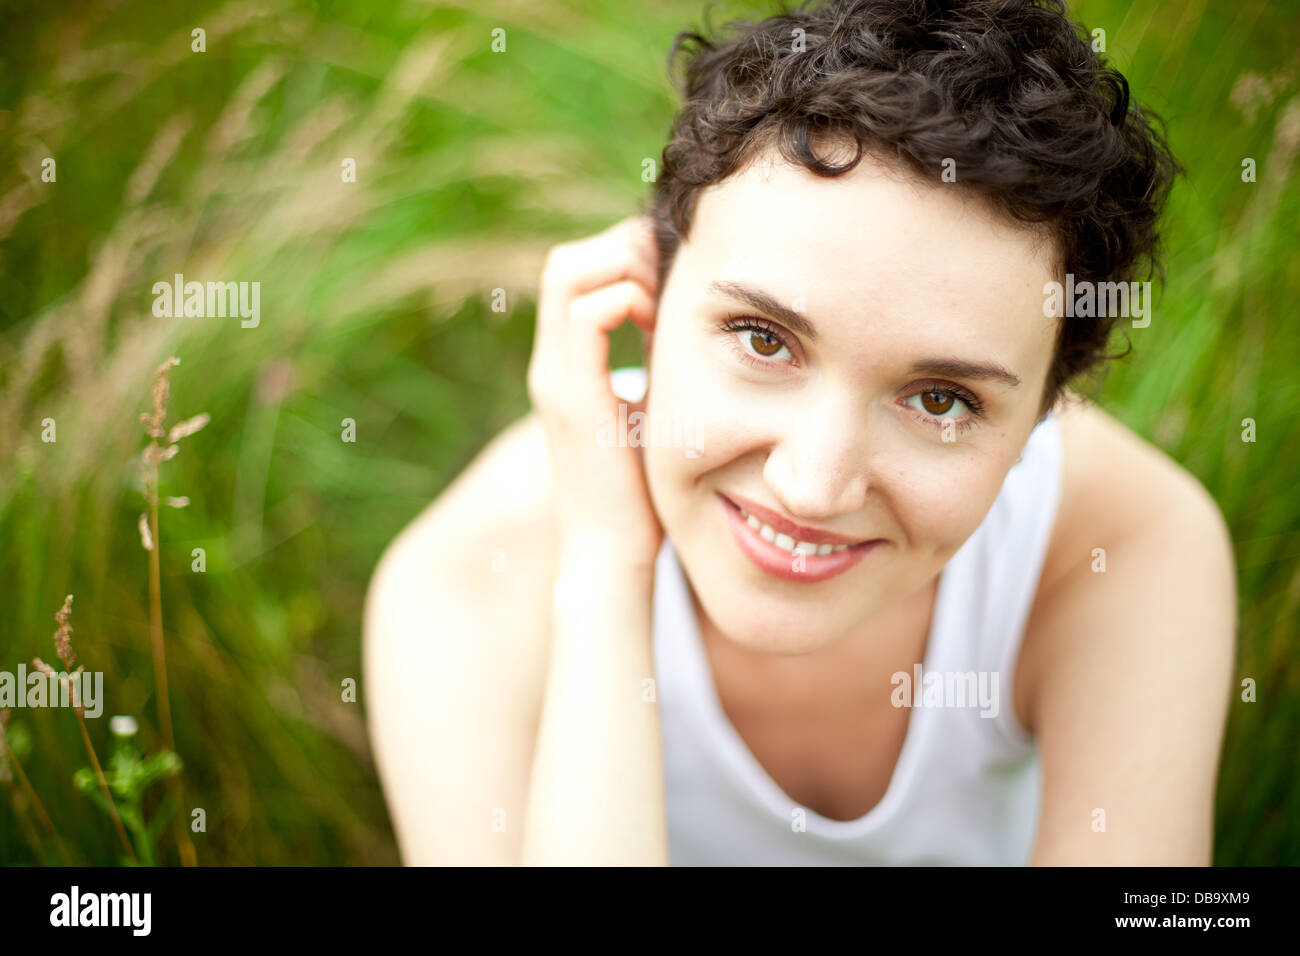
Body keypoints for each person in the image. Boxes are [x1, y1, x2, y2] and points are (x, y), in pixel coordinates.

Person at [362, 0, 1236, 865]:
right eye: (764, 340)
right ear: (652, 300)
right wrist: (604, 573)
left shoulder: (1122, 544)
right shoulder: (468, 586)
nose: (815, 487)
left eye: (940, 401)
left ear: (1045, 416)